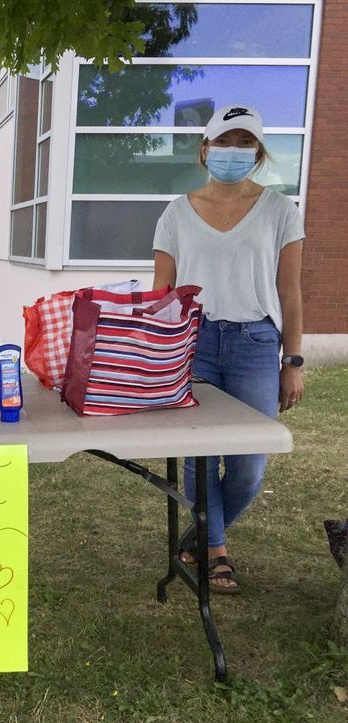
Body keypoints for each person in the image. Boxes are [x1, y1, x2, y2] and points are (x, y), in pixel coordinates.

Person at [152, 105, 305, 594]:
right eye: (225, 141)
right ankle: (215, 551)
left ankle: (197, 539)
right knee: (197, 457)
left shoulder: (281, 210)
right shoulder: (176, 212)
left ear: (257, 153)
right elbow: (163, 293)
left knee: (248, 465)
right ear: (205, 148)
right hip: (193, 344)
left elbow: (292, 292)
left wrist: (292, 361)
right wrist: (157, 354)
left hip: (256, 344)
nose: (233, 152)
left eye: (244, 143)